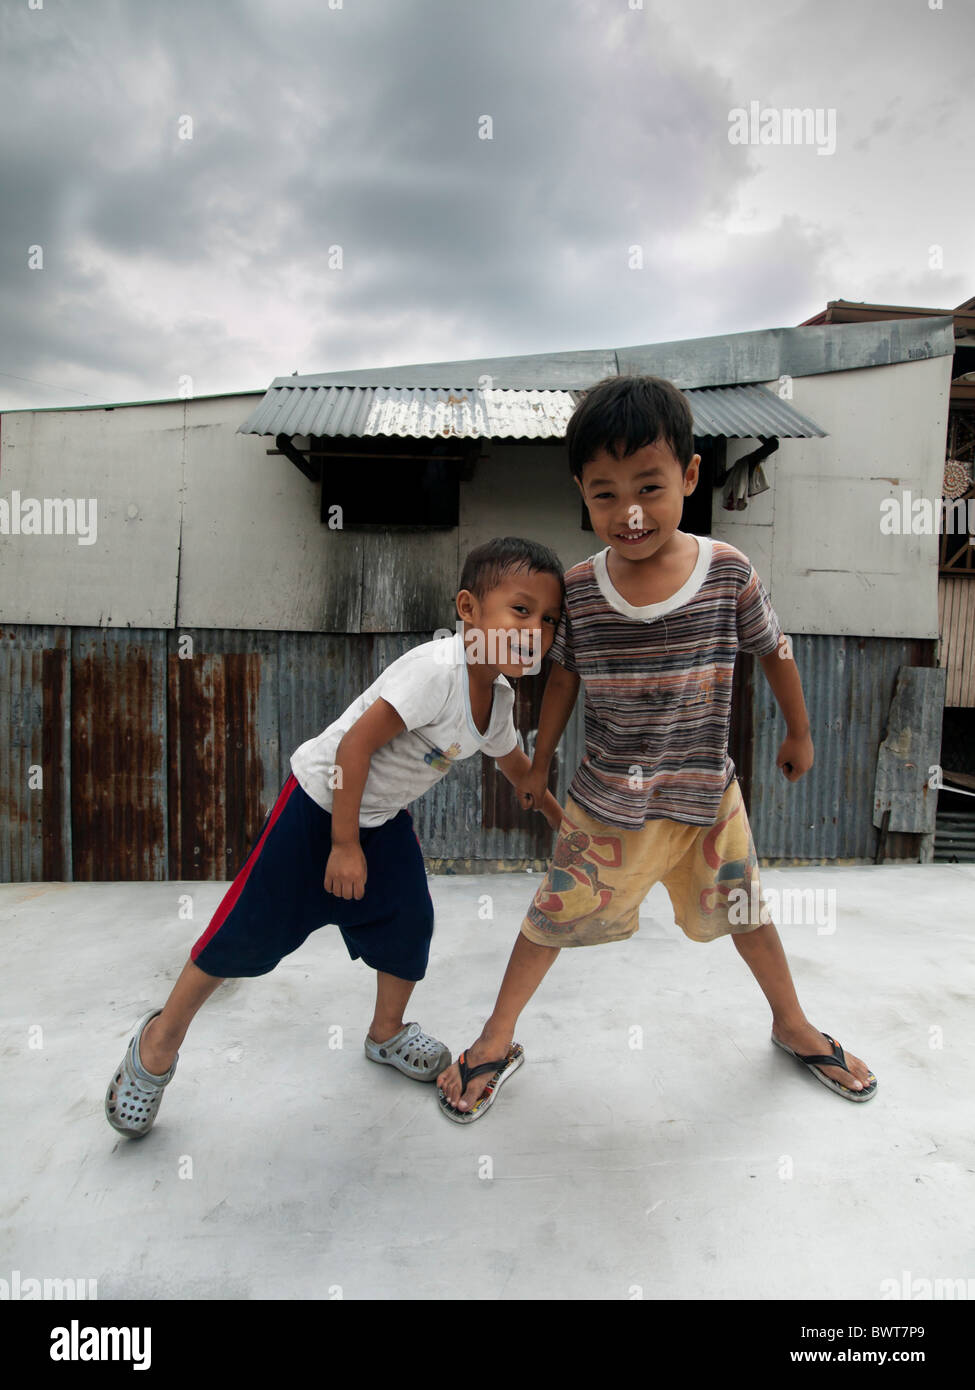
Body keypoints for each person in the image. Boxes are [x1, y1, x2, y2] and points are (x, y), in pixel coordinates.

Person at [437, 376, 877, 1122]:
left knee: (748, 914)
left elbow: (773, 650)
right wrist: (540, 757)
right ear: (581, 492)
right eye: (604, 493)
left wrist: (799, 731)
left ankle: (791, 1023)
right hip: (608, 805)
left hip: (707, 799)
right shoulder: (577, 589)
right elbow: (564, 676)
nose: (629, 512)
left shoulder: (728, 571)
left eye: (648, 485)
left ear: (690, 476)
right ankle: (494, 1035)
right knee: (548, 918)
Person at [105, 537, 565, 1137]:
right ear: (469, 609)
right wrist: (342, 844)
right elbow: (354, 746)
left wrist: (564, 823)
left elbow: (520, 776)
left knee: (408, 923)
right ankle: (157, 1045)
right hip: (320, 807)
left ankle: (387, 1034)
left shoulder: (498, 700)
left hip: (380, 820)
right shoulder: (435, 672)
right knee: (243, 936)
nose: (535, 629)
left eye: (550, 619)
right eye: (521, 610)